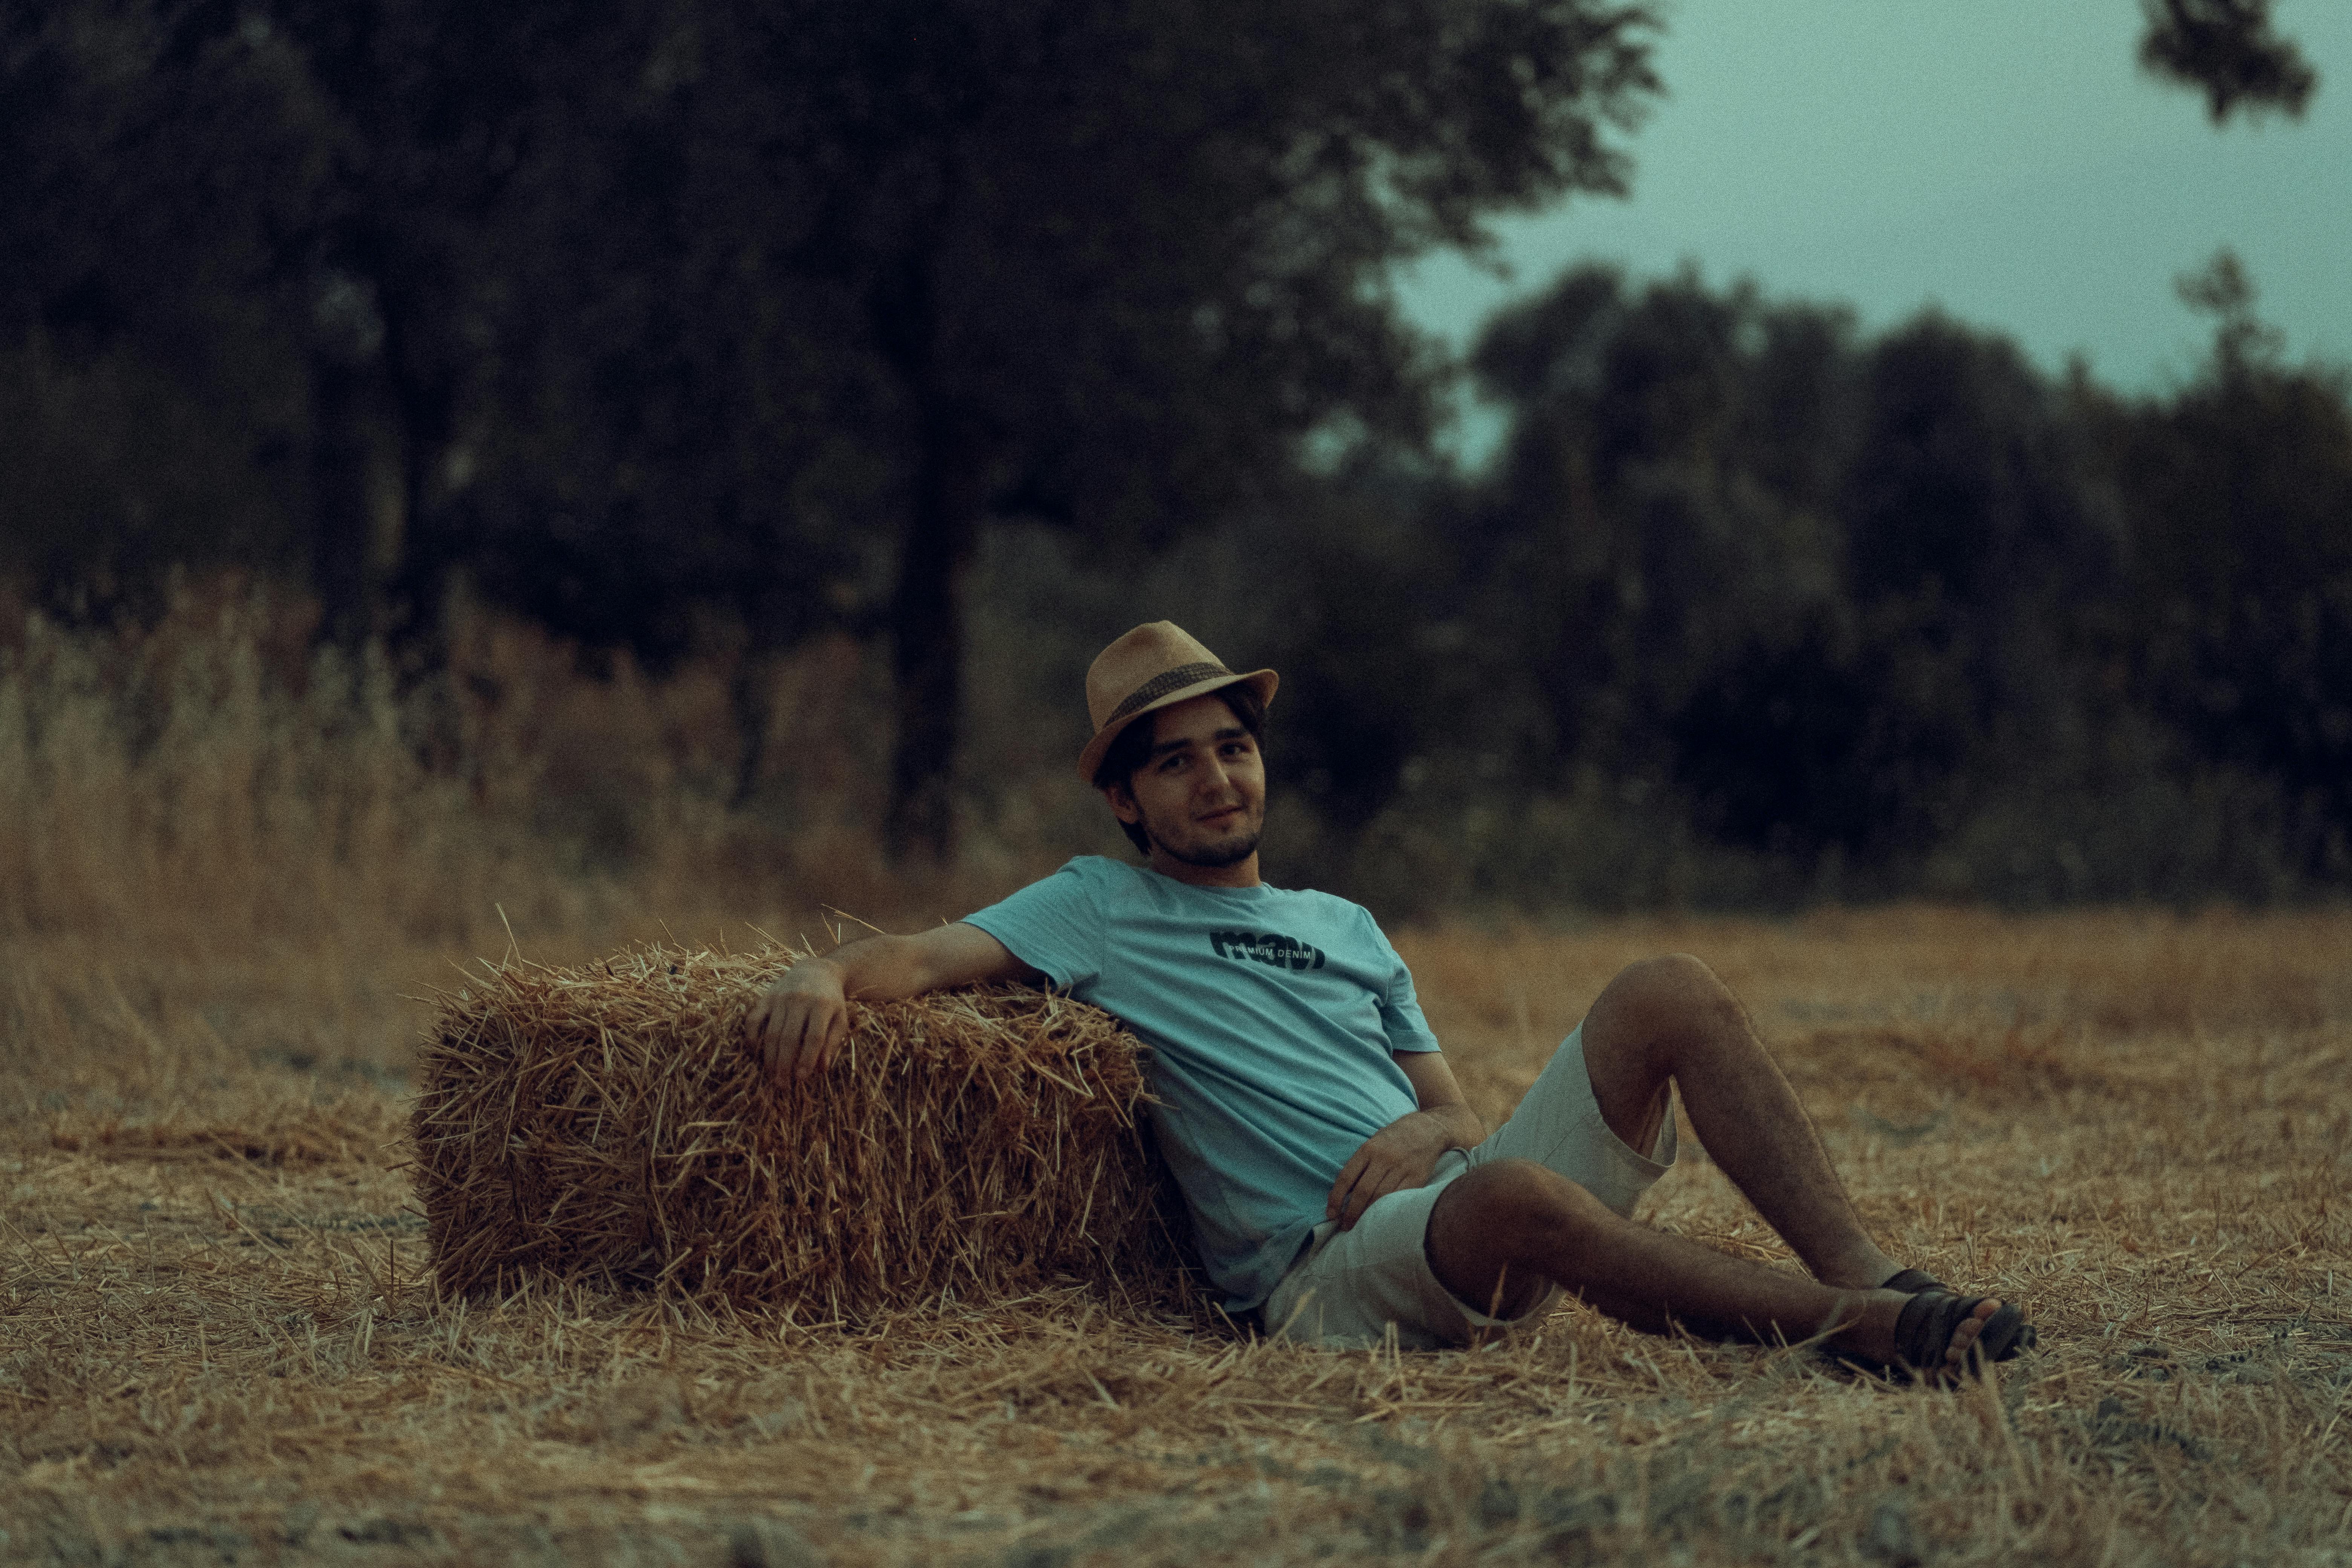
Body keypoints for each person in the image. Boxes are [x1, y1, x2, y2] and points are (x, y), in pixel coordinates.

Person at [744, 622, 2034, 1377]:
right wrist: (823, 972)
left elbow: (1456, 1113)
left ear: (1262, 764)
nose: (1216, 781)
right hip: (1327, 1281)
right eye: (1177, 764)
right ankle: (1858, 1331)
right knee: (1519, 1196)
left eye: (1234, 750)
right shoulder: (1099, 905)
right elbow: (915, 959)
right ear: (1127, 799)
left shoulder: (1344, 924)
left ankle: (1875, 1270)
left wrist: (1433, 1131)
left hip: (1452, 1200)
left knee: (1668, 989)